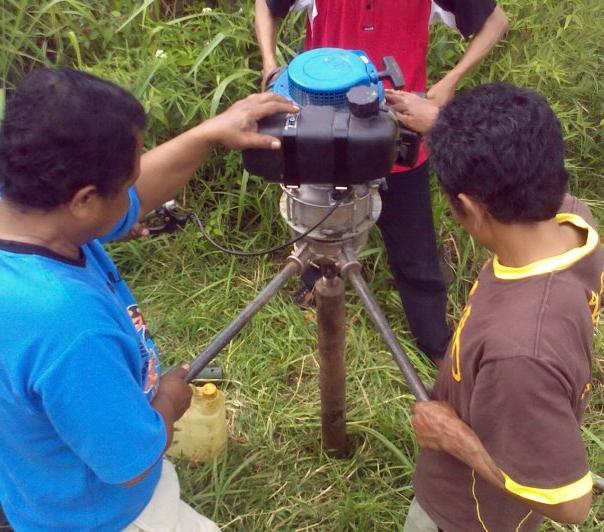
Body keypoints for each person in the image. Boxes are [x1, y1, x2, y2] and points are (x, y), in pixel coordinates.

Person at [0, 68, 297, 531]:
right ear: (83, 200)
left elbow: (139, 190)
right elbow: (130, 462)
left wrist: (208, 134)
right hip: (105, 516)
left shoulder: (25, 208)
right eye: (124, 188)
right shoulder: (69, 326)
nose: (134, 199)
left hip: (40, 494)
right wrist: (169, 403)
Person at [255, 0, 509, 364]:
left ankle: (435, 345)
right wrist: (269, 65)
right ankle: (313, 290)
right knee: (319, 226)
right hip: (324, 134)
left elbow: (495, 21)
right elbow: (267, 5)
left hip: (398, 133)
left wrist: (450, 80)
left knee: (416, 254)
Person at [406, 82, 601, 531]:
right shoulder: (573, 220)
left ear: (471, 210)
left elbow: (573, 507)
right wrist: (446, 130)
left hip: (468, 516)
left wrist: (456, 441)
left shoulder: (519, 351)